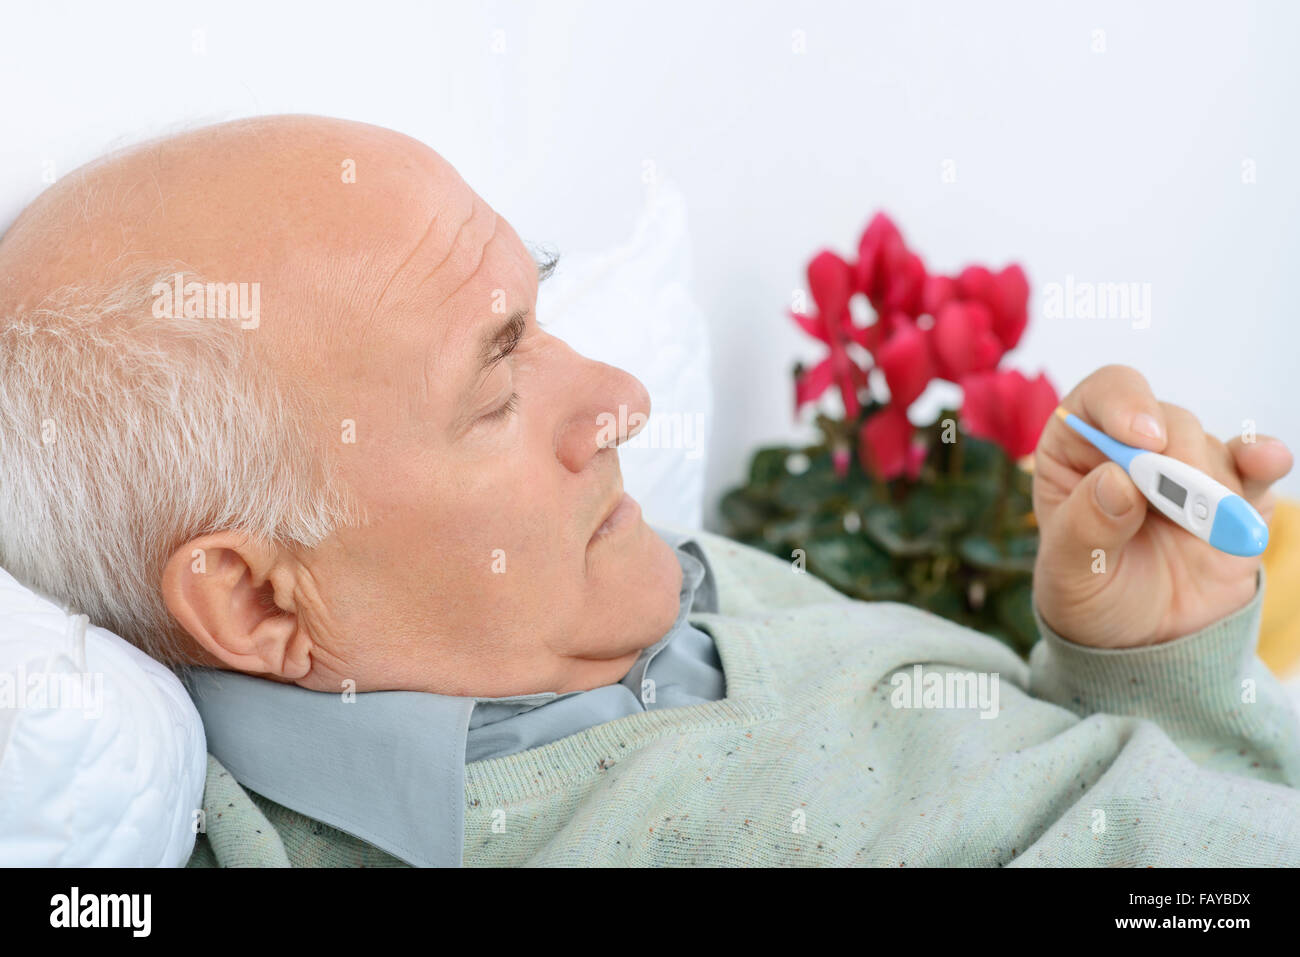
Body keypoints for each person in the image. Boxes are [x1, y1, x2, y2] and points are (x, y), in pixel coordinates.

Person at [0, 116, 1295, 866]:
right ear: (256, 596)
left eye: (540, 310)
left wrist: (1152, 669)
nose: (619, 396)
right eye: (497, 387)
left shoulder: (610, 588)